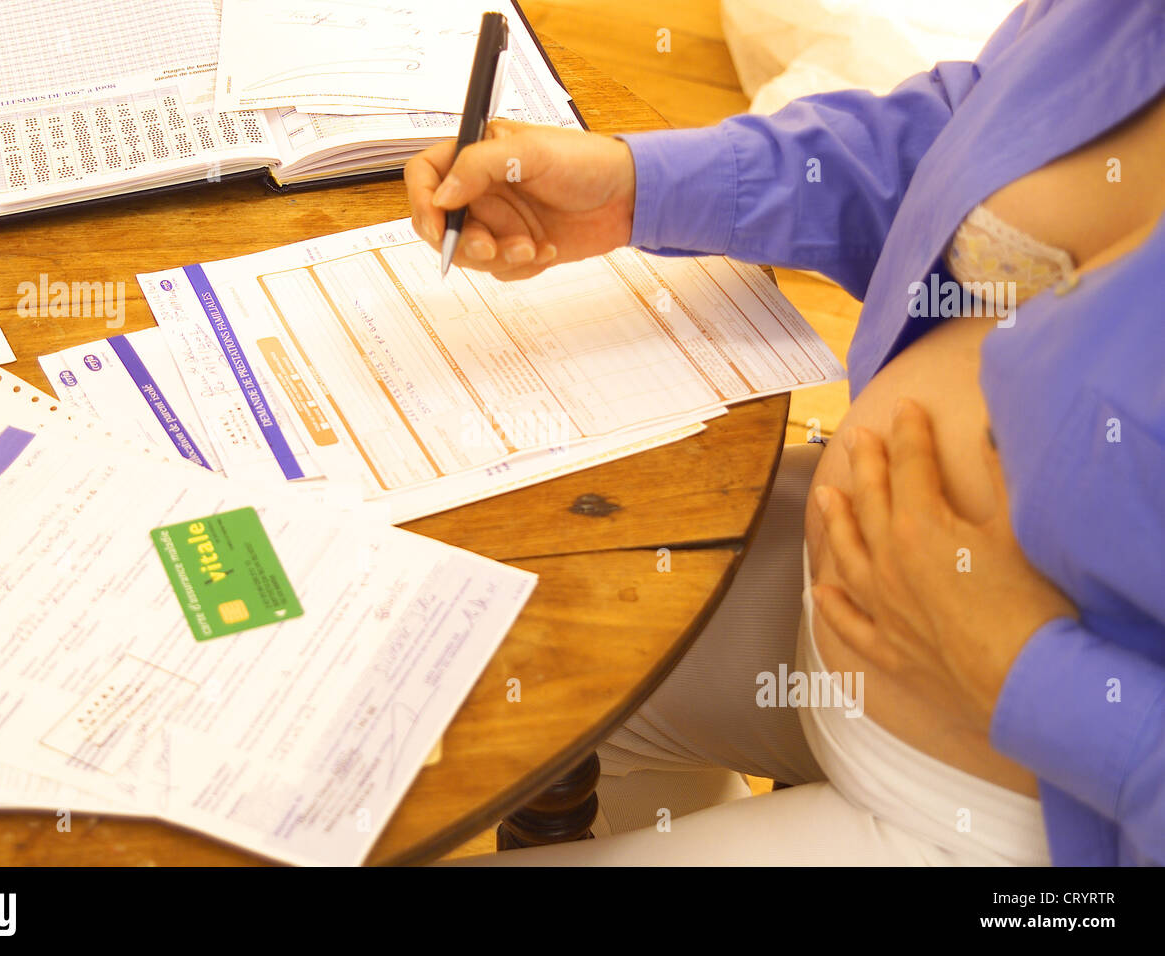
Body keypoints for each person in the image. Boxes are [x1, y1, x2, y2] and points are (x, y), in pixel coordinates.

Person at [405, 0, 1165, 865]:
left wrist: (1020, 670)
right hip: (843, 609)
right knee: (471, 629)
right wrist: (639, 188)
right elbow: (973, 136)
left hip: (1041, 824)